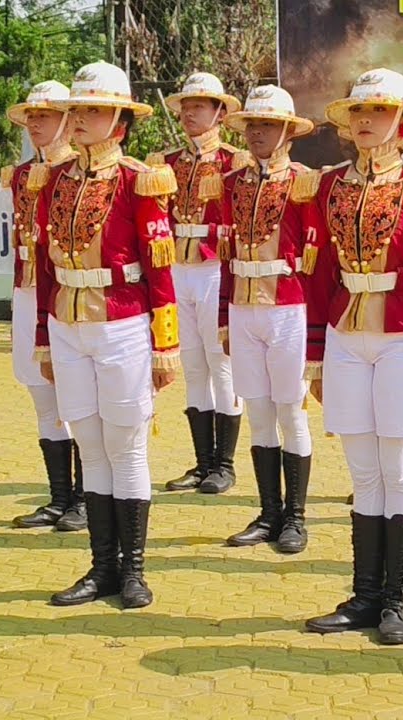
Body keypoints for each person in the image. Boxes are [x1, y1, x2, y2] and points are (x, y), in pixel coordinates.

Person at [298, 68, 403, 645]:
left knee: (399, 467)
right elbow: (319, 277)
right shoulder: (325, 187)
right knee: (362, 469)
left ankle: (397, 600)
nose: (367, 121)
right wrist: (316, 355)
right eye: (359, 112)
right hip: (347, 334)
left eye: (380, 111)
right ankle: (365, 594)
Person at [33, 61, 181, 609]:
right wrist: (41, 339)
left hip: (122, 320)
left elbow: (161, 270)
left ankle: (135, 569)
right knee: (90, 446)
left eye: (95, 109)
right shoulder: (55, 181)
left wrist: (166, 345)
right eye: (78, 108)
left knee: (127, 444)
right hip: (67, 321)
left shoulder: (139, 180)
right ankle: (100, 569)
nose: (81, 118)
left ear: (119, 119)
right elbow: (43, 267)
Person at [209, 85, 316, 553]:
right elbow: (225, 255)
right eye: (251, 124)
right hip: (244, 306)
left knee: (291, 410)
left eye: (267, 124)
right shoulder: (232, 184)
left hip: (290, 304)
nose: (256, 132)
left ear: (288, 132)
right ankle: (268, 512)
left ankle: (296, 515)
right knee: (258, 412)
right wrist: (223, 316)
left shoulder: (305, 183)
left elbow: (319, 256)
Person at [149, 72, 251, 495]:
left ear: (220, 113)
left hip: (214, 266)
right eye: (186, 106)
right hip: (176, 265)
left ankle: (224, 464)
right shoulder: (166, 164)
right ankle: (202, 462)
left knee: (220, 361)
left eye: (200, 106)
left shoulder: (235, 162)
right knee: (191, 365)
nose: (190, 113)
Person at [1, 81, 86, 532]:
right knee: (39, 389)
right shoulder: (18, 175)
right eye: (31, 116)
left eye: (45, 116)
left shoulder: (78, 172)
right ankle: (59, 496)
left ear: (69, 122)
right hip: (26, 287)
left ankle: (86, 497)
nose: (35, 123)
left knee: (76, 396)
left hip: (66, 290)